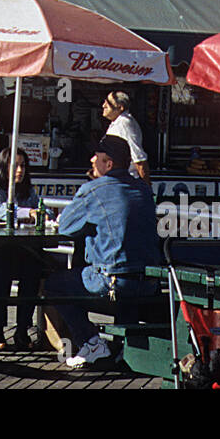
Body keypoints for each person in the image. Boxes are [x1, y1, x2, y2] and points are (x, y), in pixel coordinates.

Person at [44, 136, 159, 368]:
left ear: (108, 164)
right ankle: (122, 349)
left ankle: (91, 342)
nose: (91, 160)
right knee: (124, 272)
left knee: (53, 285)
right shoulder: (144, 190)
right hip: (148, 281)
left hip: (112, 282)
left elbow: (65, 226)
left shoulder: (94, 190)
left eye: (96, 157)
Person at [0, 148, 44, 350]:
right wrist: (28, 212)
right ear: (4, 167)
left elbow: (39, 207)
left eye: (23, 166)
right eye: (14, 166)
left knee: (34, 273)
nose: (19, 170)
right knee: (1, 276)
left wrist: (42, 213)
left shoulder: (28, 191)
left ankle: (22, 330)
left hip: (23, 249)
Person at [102, 91, 149, 180]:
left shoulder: (125, 123)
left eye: (108, 103)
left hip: (125, 180)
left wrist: (146, 187)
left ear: (120, 107)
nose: (103, 106)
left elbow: (138, 157)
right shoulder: (117, 123)